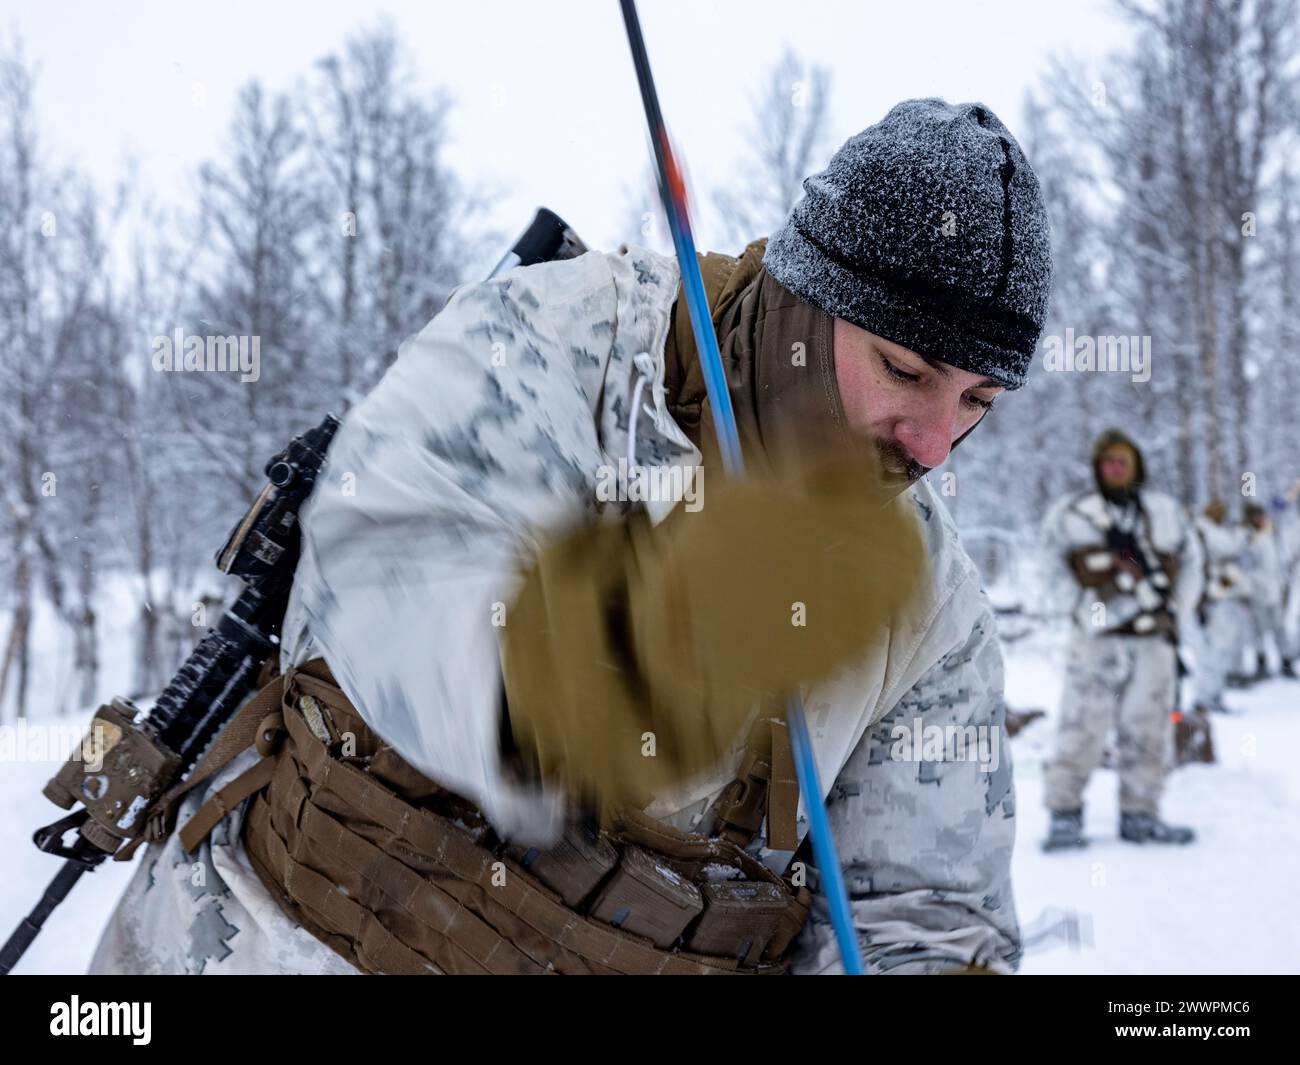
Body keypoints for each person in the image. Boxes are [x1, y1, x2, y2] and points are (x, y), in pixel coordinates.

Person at [89, 99, 1052, 976]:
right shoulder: (553, 340)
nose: (935, 444)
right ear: (808, 298)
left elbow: (927, 919)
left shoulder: (933, 603)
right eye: (905, 369)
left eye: (977, 400)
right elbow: (391, 600)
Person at [1040, 430, 1203, 849]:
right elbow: (1051, 569)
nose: (1115, 467)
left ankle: (1141, 814)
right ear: (1097, 466)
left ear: (1137, 465)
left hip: (1153, 640)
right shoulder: (1074, 514)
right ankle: (1065, 813)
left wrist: (1174, 614)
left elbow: (1191, 564)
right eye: (1108, 460)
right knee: (1081, 725)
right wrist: (1080, 611)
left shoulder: (1165, 512)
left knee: (1149, 729)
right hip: (1097, 639)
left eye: (1123, 460)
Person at [1192, 500, 1250, 714]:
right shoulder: (1204, 529)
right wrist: (1244, 534)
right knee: (1214, 649)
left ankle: (1212, 694)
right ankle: (1206, 697)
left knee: (1220, 649)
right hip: (1214, 596)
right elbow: (1230, 548)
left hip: (1220, 594)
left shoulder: (1209, 530)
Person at [1240, 501, 1296, 680]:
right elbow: (1244, 568)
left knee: (1280, 629)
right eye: (1256, 517)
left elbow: (1282, 563)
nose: (1260, 519)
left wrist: (1284, 586)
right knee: (1257, 632)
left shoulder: (1273, 535)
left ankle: (1286, 663)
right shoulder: (1246, 538)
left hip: (1274, 592)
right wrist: (1247, 591)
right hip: (1256, 593)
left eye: (1261, 516)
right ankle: (1261, 664)